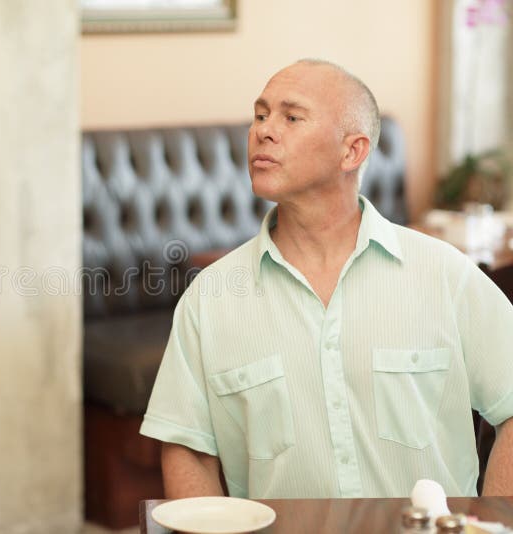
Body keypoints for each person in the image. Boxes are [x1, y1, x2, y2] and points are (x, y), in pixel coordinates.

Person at [139, 59, 513, 499]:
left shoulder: (445, 275)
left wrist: (494, 520)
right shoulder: (210, 297)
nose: (263, 130)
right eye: (260, 115)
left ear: (351, 151)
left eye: (291, 117)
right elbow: (189, 449)